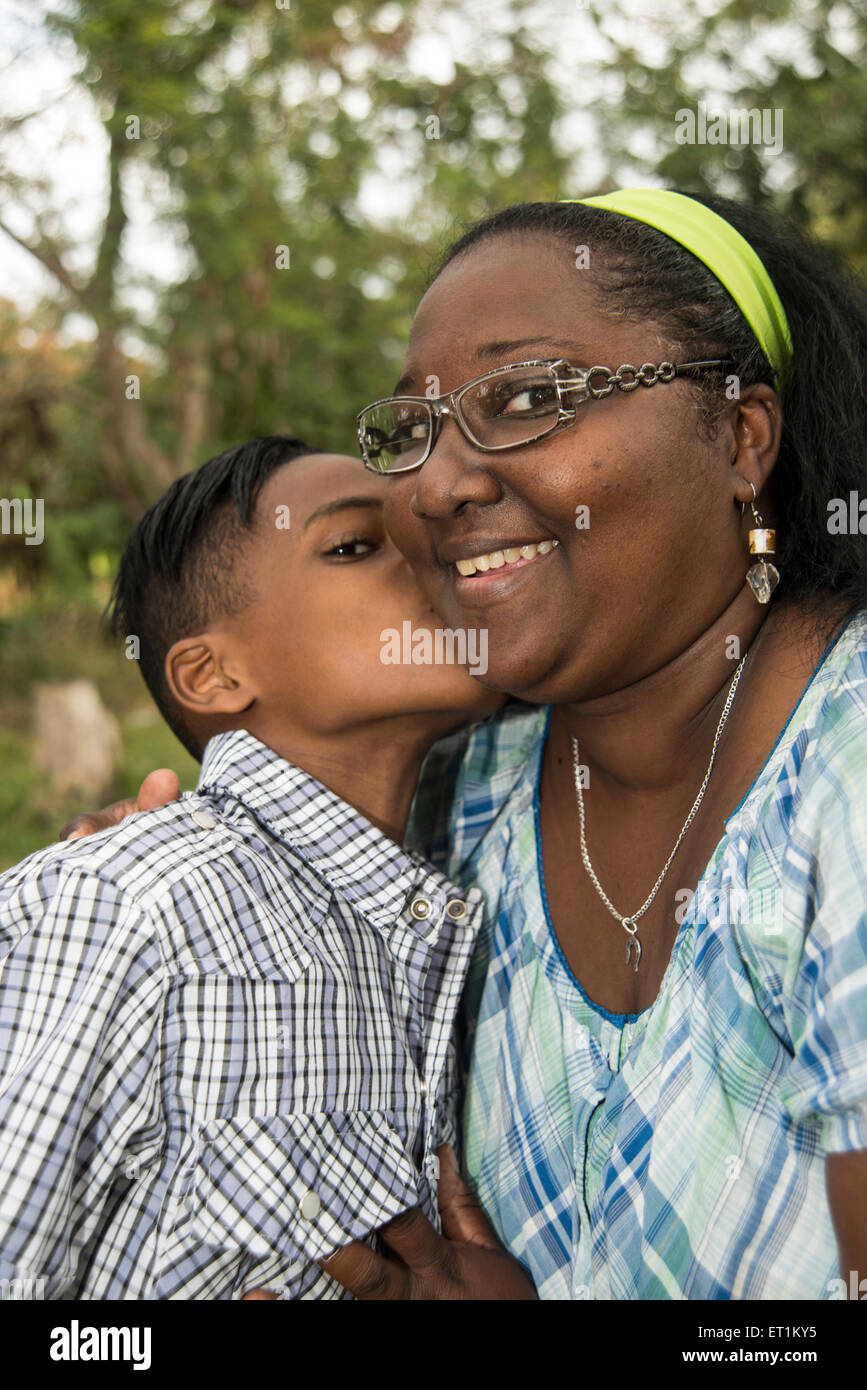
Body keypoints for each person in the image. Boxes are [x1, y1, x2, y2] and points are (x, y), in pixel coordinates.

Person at [64, 189, 867, 1300]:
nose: (436, 487)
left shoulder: (843, 781)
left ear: (741, 435)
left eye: (531, 396)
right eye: (415, 429)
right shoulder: (457, 795)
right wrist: (155, 873)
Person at [0, 435, 534, 1300]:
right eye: (355, 546)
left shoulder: (435, 884)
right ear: (212, 675)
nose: (434, 554)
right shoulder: (121, 902)